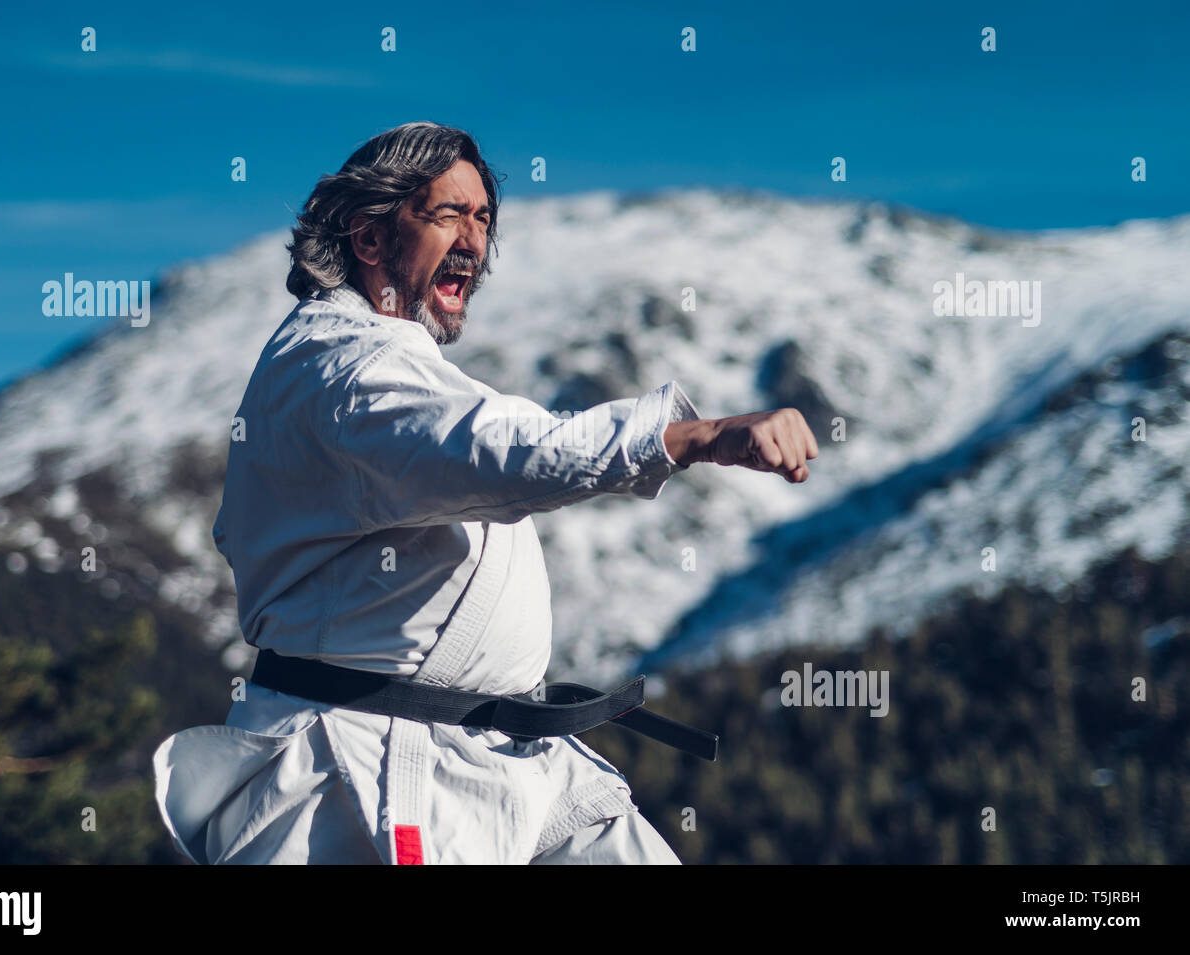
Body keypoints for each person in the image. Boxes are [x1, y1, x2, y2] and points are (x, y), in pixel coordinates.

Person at [152, 121, 818, 865]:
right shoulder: (342, 368)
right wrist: (690, 435)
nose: (474, 239)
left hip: (504, 760)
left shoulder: (384, 361)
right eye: (446, 214)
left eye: (483, 218)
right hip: (367, 776)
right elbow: (491, 449)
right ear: (368, 238)